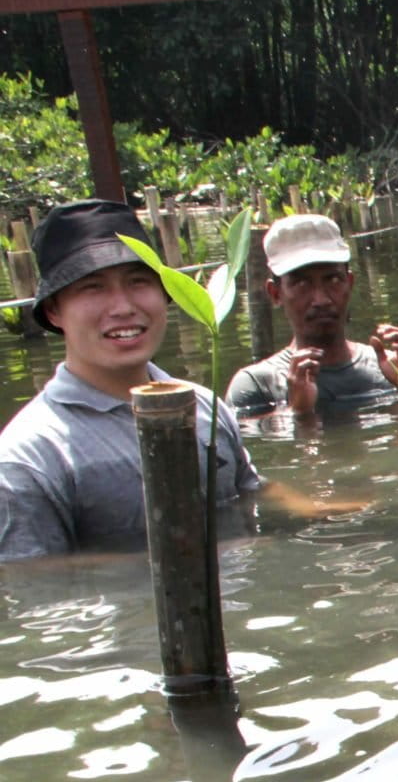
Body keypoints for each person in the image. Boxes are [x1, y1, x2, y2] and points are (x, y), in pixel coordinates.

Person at [0, 199, 265, 561]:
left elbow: (252, 499)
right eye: (93, 287)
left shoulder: (203, 406)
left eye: (138, 281)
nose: (123, 306)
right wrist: (179, 559)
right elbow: (35, 588)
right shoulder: (31, 456)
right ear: (54, 310)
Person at [226, 214, 398, 421]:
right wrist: (299, 413)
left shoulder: (394, 369)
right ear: (275, 293)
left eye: (333, 280)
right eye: (302, 284)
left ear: (350, 283)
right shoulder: (256, 387)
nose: (321, 299)